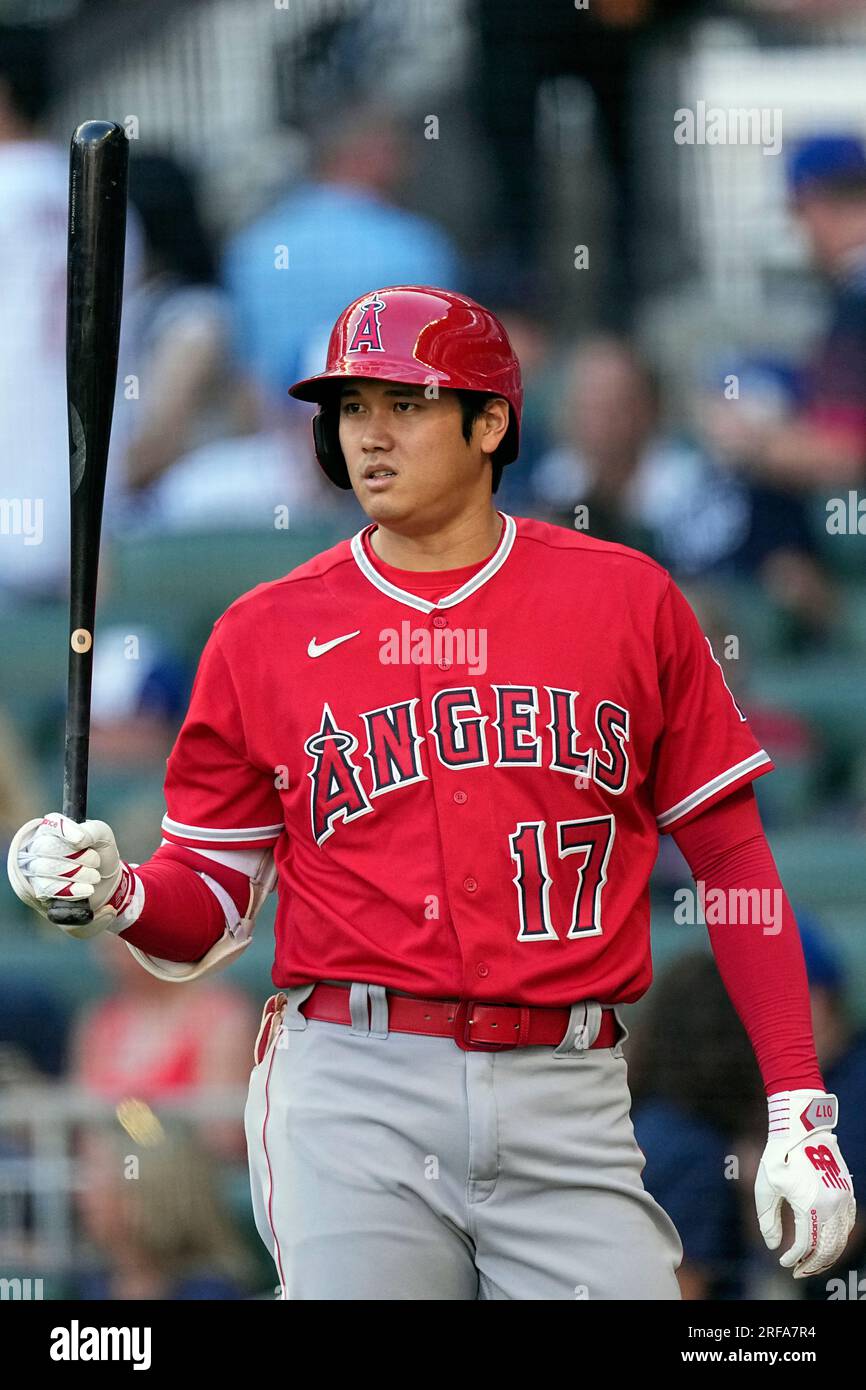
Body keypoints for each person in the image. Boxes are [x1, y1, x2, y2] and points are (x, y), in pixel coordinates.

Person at [7, 285, 855, 1301]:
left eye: (403, 405)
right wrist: (119, 894)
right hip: (353, 1078)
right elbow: (212, 906)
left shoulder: (626, 600)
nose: (369, 434)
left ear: (489, 420)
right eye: (350, 409)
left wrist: (797, 1099)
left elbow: (731, 860)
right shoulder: (263, 632)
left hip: (567, 1082)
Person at [704, 133, 866, 489]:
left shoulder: (858, 295)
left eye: (797, 212)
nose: (797, 231)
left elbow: (849, 452)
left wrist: (749, 443)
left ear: (818, 204)